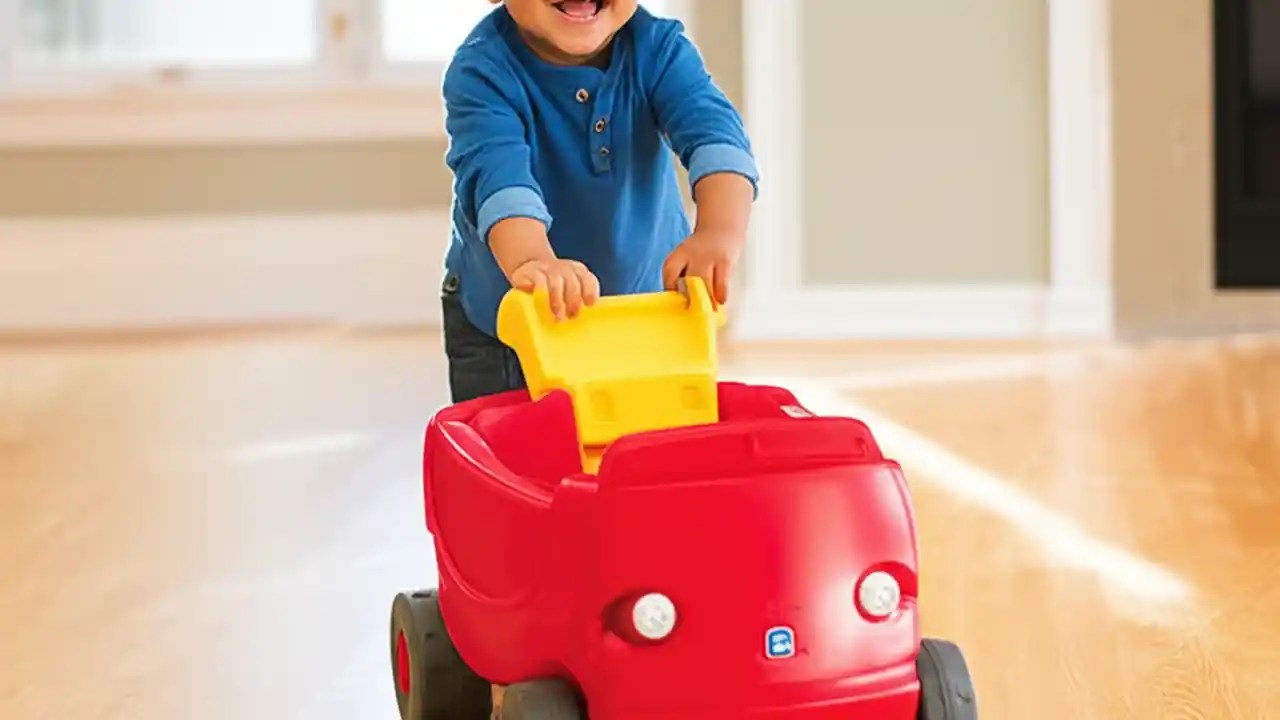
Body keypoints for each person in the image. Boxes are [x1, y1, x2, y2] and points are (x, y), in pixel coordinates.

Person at [440, 0, 758, 403]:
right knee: (519, 453)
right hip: (511, 330)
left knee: (646, 448)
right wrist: (533, 261)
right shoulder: (481, 73)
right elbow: (498, 179)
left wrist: (718, 231)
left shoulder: (660, 51)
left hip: (645, 313)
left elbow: (717, 138)